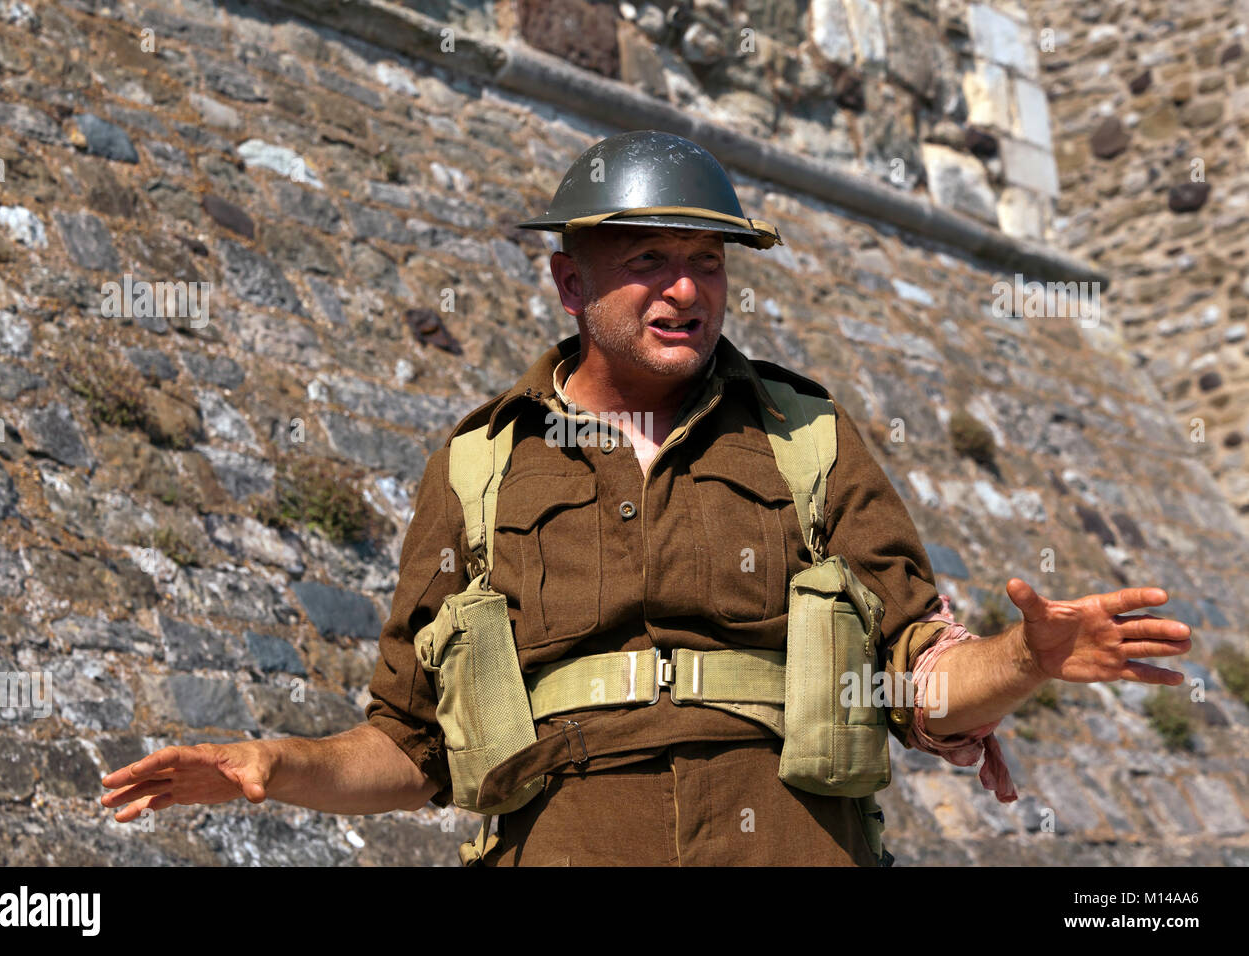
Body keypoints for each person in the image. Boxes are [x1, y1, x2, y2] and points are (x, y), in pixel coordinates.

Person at [101, 130, 1193, 866]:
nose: (686, 288)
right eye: (650, 260)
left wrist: (1025, 659)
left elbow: (916, 684)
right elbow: (413, 748)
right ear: (569, 285)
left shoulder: (808, 437)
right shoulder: (476, 467)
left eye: (708, 263)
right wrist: (273, 767)